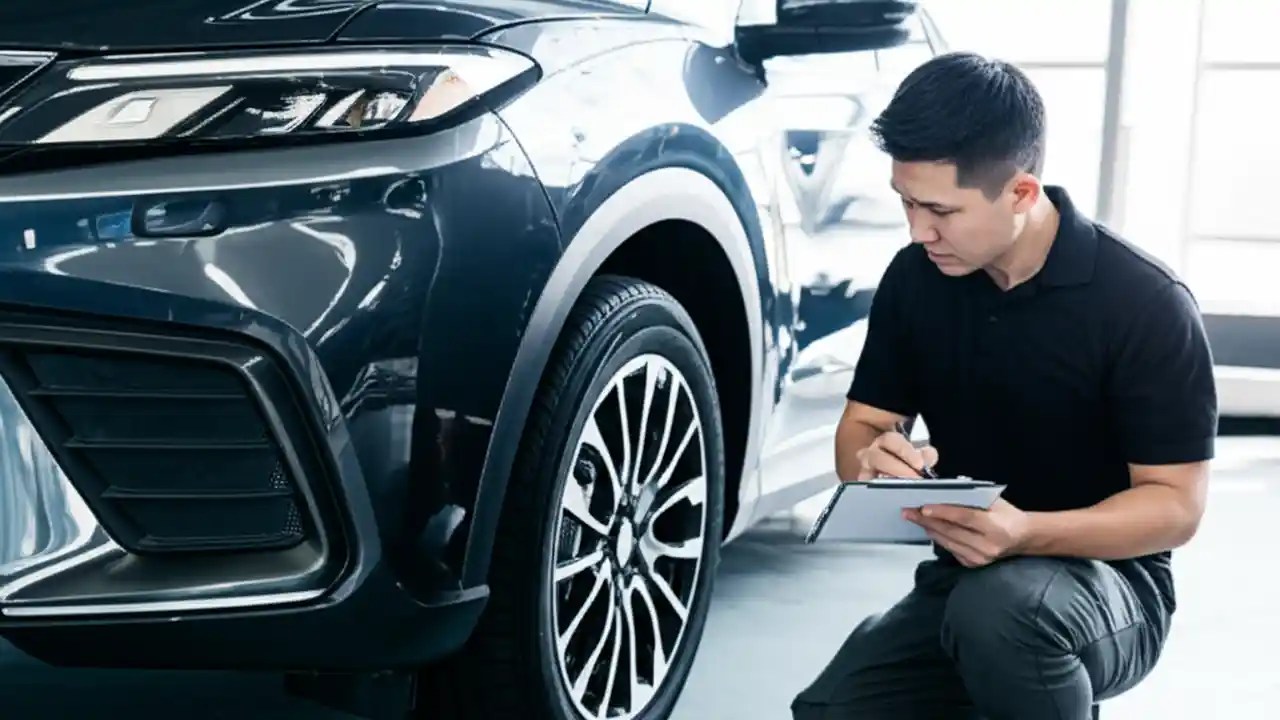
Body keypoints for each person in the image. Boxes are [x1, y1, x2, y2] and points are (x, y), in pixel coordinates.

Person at [791, 52, 1218, 719]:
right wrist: (873, 463)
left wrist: (1025, 533)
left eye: (940, 209)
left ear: (1021, 193)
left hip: (1115, 585)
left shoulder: (1145, 302)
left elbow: (1176, 508)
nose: (918, 230)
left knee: (1003, 616)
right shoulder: (916, 278)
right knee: (832, 710)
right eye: (906, 202)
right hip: (966, 577)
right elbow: (863, 429)